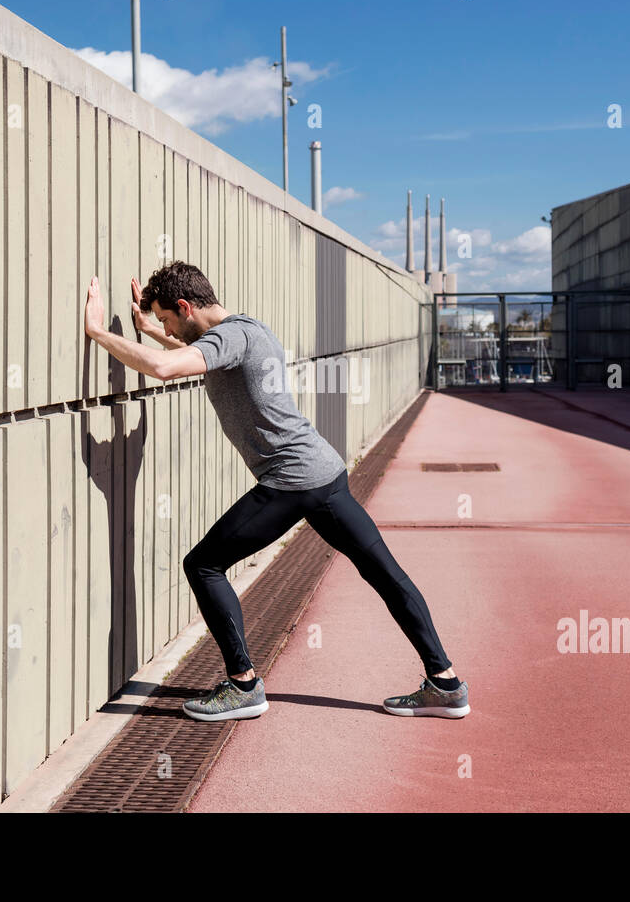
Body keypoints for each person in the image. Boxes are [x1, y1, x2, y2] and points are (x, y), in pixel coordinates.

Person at [83, 261, 468, 721]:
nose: (168, 328)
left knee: (203, 564)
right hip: (324, 473)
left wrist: (98, 333)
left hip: (290, 480)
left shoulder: (225, 340)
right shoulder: (247, 330)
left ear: (185, 306)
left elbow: (167, 368)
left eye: (168, 318)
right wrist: (149, 330)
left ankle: (243, 684)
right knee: (385, 574)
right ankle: (444, 683)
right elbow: (193, 351)